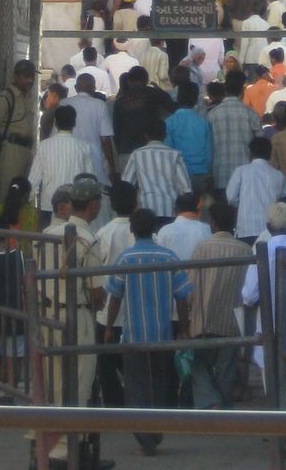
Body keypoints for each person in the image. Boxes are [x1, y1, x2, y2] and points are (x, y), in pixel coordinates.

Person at [103, 208, 191, 456]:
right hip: (162, 334)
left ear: (131, 229)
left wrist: (109, 328)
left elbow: (115, 298)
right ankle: (156, 430)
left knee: (136, 385)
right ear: (154, 229)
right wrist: (183, 328)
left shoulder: (125, 258)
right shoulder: (169, 257)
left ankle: (144, 435)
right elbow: (182, 297)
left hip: (134, 336)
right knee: (161, 383)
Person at [41, 177, 109, 468]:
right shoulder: (88, 240)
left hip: (47, 315)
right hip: (77, 314)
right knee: (79, 385)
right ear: (94, 205)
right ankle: (66, 455)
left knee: (50, 385)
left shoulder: (47, 233)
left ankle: (43, 447)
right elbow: (96, 293)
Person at [242, 199, 286, 401]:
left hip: (268, 325)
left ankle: (283, 427)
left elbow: (249, 295)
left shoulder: (261, 250)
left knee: (275, 384)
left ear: (267, 227)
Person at [189, 198, 254, 409]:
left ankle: (210, 401)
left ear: (213, 223)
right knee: (226, 369)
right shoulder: (244, 250)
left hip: (203, 317)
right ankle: (225, 413)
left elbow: (191, 284)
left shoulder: (202, 248)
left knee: (199, 365)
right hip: (232, 319)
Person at [0, 177, 37, 399]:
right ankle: (11, 394)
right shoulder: (21, 256)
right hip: (15, 311)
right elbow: (26, 286)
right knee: (14, 356)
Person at [94, 180, 138, 407]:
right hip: (135, 310)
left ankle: (114, 407)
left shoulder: (104, 232)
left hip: (107, 311)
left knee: (107, 366)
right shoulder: (141, 230)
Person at [28, 104, 104, 222]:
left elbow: (33, 180)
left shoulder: (44, 146)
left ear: (55, 123)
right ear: (74, 123)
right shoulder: (84, 148)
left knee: (48, 238)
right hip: (76, 208)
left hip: (49, 207)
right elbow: (90, 181)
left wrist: (28, 201)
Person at [0, 59, 37, 201]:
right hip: (10, 152)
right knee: (7, 196)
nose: (30, 80)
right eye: (26, 76)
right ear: (16, 76)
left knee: (22, 196)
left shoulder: (28, 97)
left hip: (26, 152)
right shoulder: (6, 97)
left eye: (32, 76)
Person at [121, 121, 193, 226]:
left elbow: (126, 185)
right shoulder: (174, 155)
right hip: (170, 210)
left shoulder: (136, 155)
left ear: (146, 135)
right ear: (165, 135)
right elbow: (186, 189)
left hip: (145, 210)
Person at [209, 69, 263, 196]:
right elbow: (260, 144)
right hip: (246, 176)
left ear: (225, 89)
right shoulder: (250, 114)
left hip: (219, 175)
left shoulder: (212, 114)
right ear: (242, 90)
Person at [227, 135, 286, 243]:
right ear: (270, 154)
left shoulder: (241, 171)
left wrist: (242, 205)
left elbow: (231, 198)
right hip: (270, 229)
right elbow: (284, 201)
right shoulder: (279, 175)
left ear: (251, 153)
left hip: (246, 228)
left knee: (248, 258)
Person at [112, 64, 174, 170]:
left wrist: (120, 150)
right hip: (150, 151)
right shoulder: (155, 94)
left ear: (128, 81)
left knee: (128, 185)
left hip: (126, 149)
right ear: (146, 80)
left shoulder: (119, 101)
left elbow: (116, 129)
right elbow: (174, 109)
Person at [65, 72, 117, 182]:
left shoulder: (64, 104)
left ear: (75, 88)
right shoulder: (100, 105)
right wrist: (112, 166)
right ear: (94, 88)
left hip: (69, 162)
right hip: (95, 162)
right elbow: (105, 140)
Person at [165, 79, 213, 193]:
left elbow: (168, 151)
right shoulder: (203, 122)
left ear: (177, 98)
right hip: (200, 174)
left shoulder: (169, 122)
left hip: (177, 175)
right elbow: (209, 154)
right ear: (196, 99)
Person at [157, 192, 212, 261]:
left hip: (173, 270)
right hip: (200, 270)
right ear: (199, 208)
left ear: (175, 210)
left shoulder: (165, 231)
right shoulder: (206, 229)